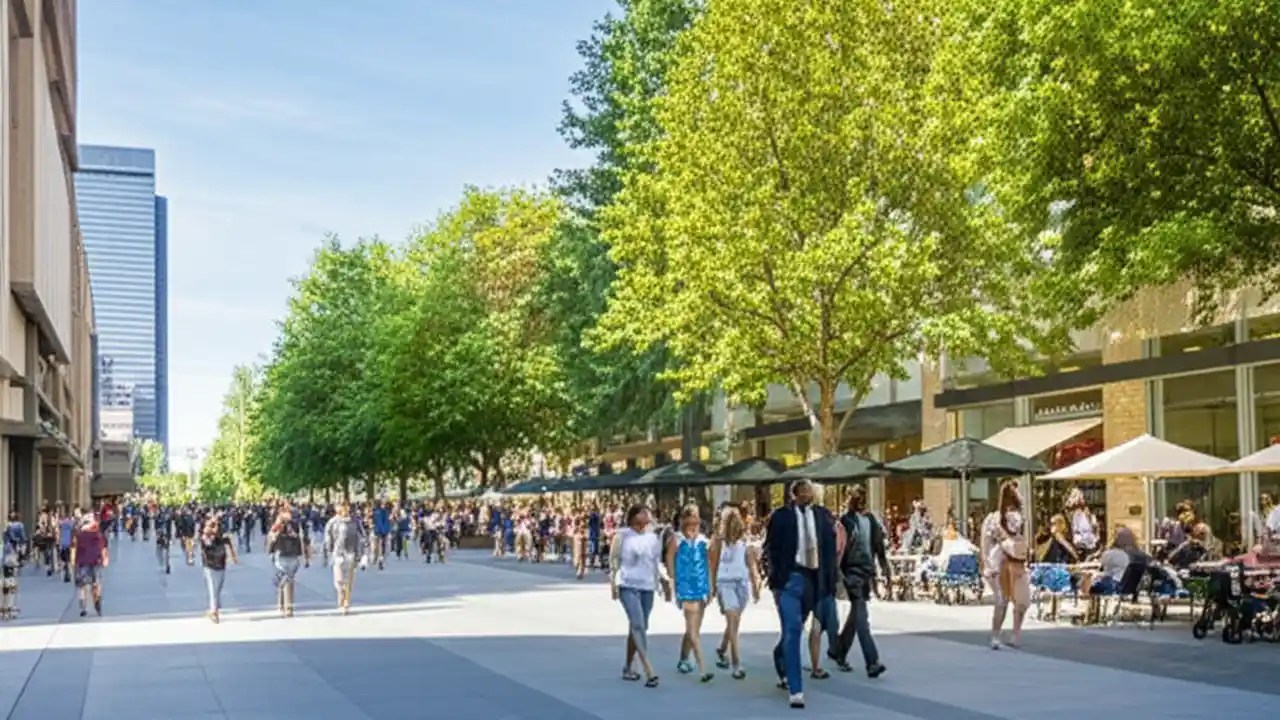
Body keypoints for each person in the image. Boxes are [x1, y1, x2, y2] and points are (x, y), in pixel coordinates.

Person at [764, 479, 838, 709]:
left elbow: (830, 548)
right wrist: (777, 577)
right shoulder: (781, 517)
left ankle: (780, 656)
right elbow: (771, 548)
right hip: (790, 579)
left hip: (814, 580)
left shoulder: (823, 516)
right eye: (802, 491)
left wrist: (831, 580)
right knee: (794, 629)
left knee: (793, 630)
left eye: (809, 491)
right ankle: (796, 689)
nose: (807, 494)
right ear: (793, 495)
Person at [832, 485, 889, 677]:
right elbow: (839, 549)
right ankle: (872, 662)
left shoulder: (871, 520)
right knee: (862, 618)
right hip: (852, 574)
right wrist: (839, 573)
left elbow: (879, 547)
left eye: (863, 496)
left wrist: (885, 569)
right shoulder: (845, 521)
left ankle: (839, 650)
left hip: (866, 573)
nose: (860, 500)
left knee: (856, 616)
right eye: (856, 497)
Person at [611, 504, 667, 688]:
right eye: (643, 512)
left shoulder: (653, 538)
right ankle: (648, 670)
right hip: (628, 585)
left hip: (647, 586)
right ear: (634, 516)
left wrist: (664, 580)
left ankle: (628, 666)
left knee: (640, 627)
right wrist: (613, 582)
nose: (647, 515)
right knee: (637, 624)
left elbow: (655, 561)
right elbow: (614, 560)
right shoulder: (623, 536)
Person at [709, 507, 759, 680]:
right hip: (725, 583)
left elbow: (751, 564)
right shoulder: (717, 541)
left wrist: (755, 584)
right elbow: (713, 565)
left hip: (741, 583)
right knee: (732, 618)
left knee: (734, 622)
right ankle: (736, 663)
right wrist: (712, 588)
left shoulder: (745, 542)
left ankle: (722, 648)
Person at [981, 481, 1030, 649]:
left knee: (1004, 600)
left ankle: (997, 635)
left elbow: (985, 543)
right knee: (1014, 599)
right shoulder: (1010, 518)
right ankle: (1012, 634)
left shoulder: (994, 518)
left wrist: (986, 562)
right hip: (1009, 560)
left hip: (1002, 559)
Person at [667, 505, 713, 683]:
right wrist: (673, 584)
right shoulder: (677, 540)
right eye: (691, 519)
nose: (695, 523)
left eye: (697, 519)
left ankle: (683, 658)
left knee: (693, 629)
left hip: (700, 587)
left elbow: (707, 565)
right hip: (685, 588)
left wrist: (710, 587)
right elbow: (670, 562)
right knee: (693, 630)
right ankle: (703, 668)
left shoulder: (703, 541)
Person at [324, 503, 366, 615]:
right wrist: (328, 551)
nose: (344, 509)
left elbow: (361, 537)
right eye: (341, 507)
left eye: (346, 507)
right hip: (338, 553)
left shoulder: (355, 522)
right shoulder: (333, 522)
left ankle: (346, 601)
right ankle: (341, 592)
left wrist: (361, 553)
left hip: (351, 552)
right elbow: (328, 538)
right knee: (339, 579)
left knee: (349, 580)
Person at [268, 505, 305, 617]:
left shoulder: (294, 525)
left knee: (289, 580)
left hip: (292, 554)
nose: (288, 515)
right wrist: (276, 533)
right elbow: (271, 538)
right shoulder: (277, 525)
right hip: (281, 554)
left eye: (289, 512)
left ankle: (285, 604)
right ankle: (287, 606)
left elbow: (300, 539)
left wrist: (302, 554)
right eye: (285, 512)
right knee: (287, 579)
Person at [200, 518, 237, 623]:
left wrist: (233, 556)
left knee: (218, 588)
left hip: (221, 565)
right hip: (210, 566)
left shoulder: (221, 538)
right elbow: (207, 544)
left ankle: (214, 607)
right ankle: (214, 612)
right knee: (213, 589)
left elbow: (229, 543)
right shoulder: (205, 538)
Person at [71, 515, 108, 617]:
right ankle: (97, 601)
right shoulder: (98, 535)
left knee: (81, 586)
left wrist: (73, 562)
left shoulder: (78, 535)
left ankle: (83, 607)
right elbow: (103, 548)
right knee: (96, 584)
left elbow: (74, 548)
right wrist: (105, 559)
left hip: (81, 563)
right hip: (96, 562)